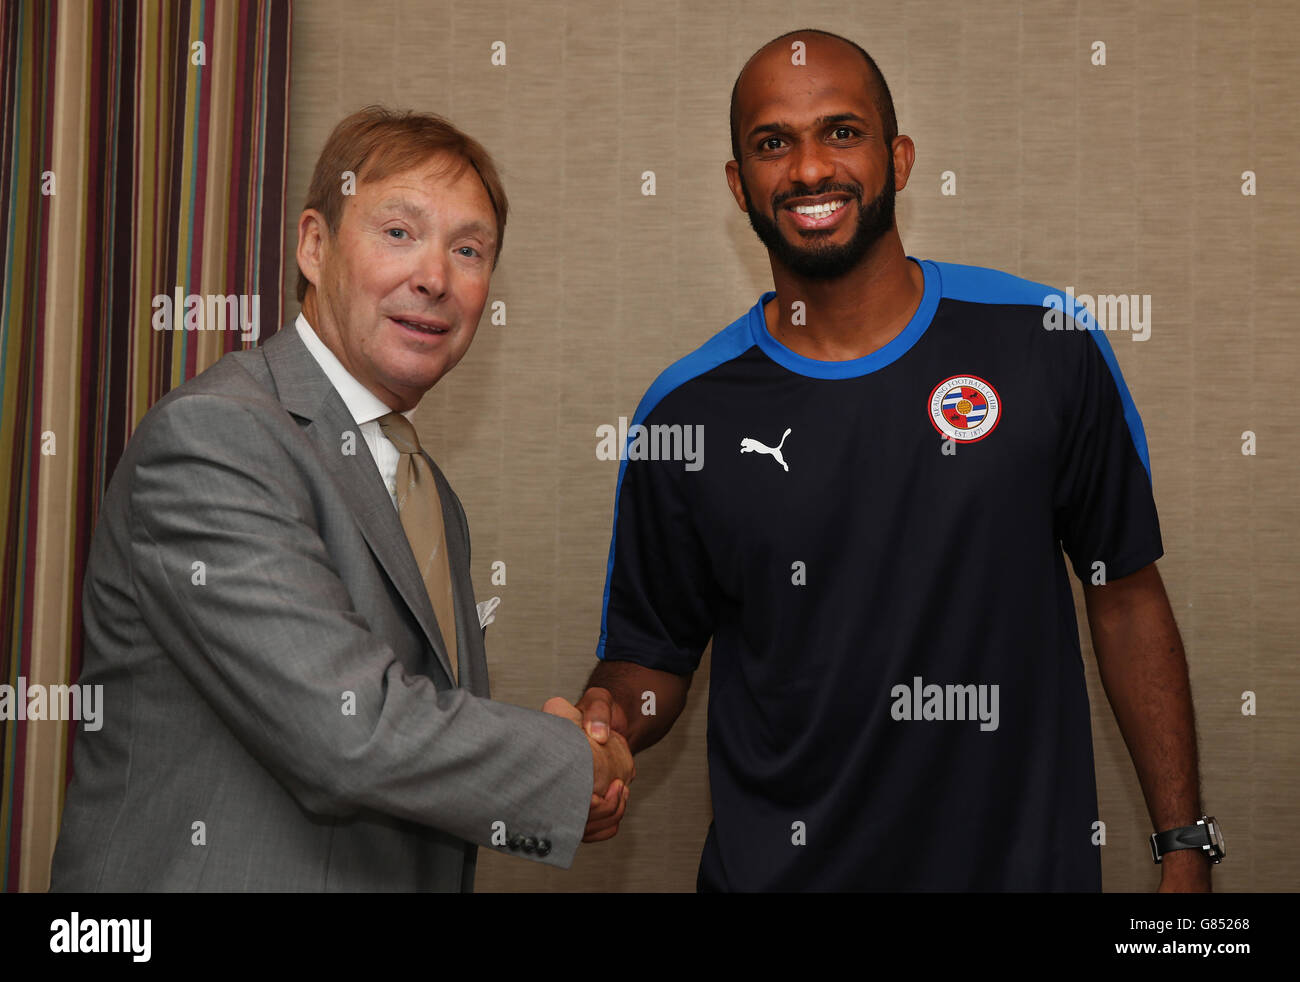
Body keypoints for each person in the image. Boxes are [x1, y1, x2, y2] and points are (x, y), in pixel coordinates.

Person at [575, 30, 1217, 890]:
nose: (808, 169)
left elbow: (1127, 600)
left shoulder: (1044, 342)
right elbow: (651, 657)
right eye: (773, 143)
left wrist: (1184, 845)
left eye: (841, 131)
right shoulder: (685, 412)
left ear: (899, 157)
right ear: (739, 185)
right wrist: (608, 715)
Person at [50, 107, 632, 891]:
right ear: (314, 247)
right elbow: (351, 734)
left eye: (469, 250)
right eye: (399, 232)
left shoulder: (427, 488)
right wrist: (569, 767)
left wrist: (559, 788)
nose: (435, 277)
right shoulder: (217, 437)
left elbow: (417, 755)